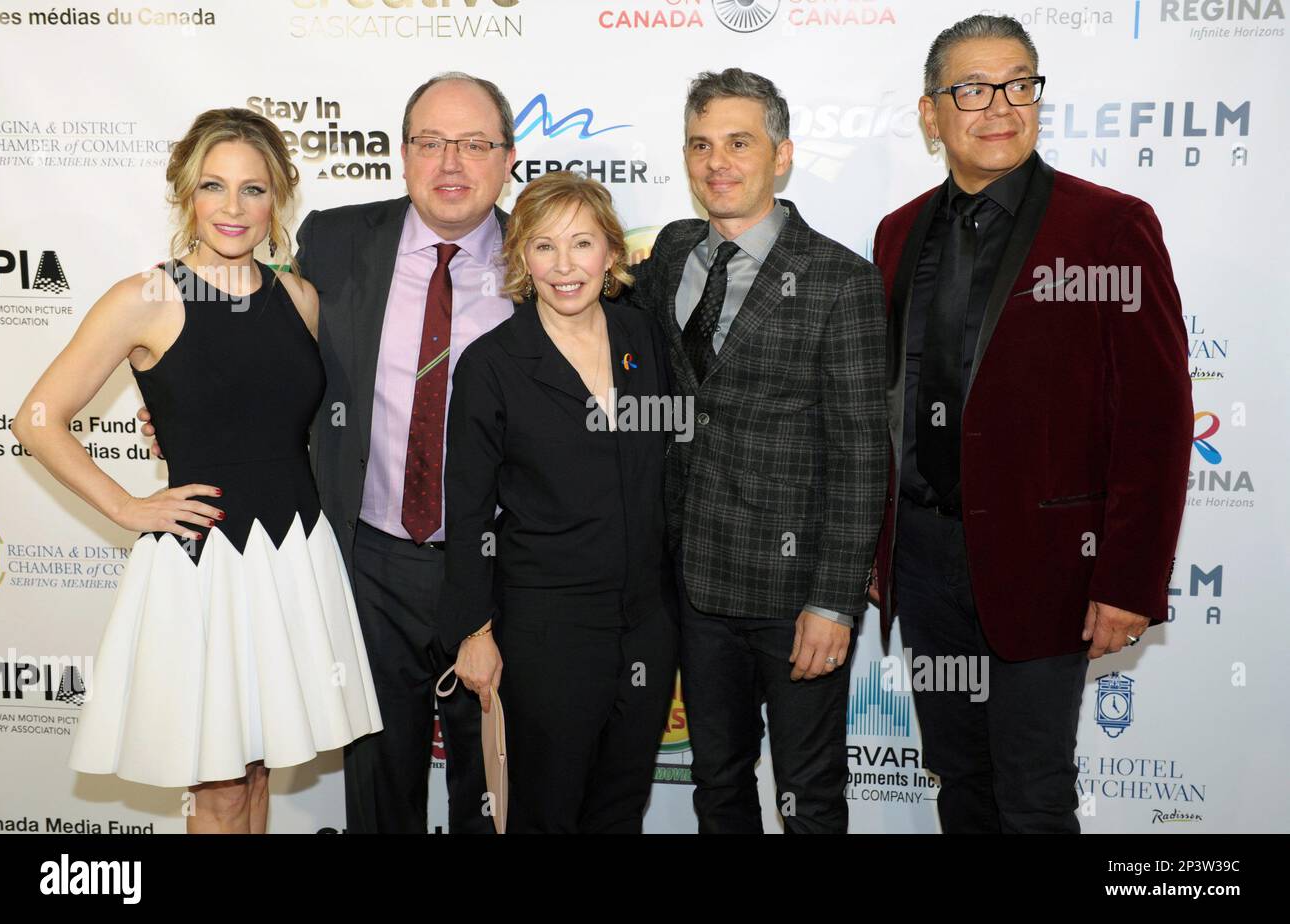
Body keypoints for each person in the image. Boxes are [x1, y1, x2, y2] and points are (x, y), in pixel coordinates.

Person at [141, 73, 519, 834]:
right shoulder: (338, 241)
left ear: (509, 159)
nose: (451, 163)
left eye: (475, 144)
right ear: (402, 155)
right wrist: (193, 417)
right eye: (431, 143)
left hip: (501, 565)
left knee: (497, 784)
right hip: (365, 563)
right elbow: (270, 360)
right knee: (377, 790)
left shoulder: (543, 259)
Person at [12, 107, 382, 834]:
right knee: (215, 788)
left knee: (253, 775)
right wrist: (126, 507)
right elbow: (36, 419)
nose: (233, 208)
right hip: (203, 559)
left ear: (277, 198)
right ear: (186, 194)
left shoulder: (298, 298)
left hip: (291, 555)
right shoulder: (145, 298)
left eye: (254, 189)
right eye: (214, 186)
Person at [870, 14, 1192, 833]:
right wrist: (879, 548)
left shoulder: (1108, 226)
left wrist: (1128, 579)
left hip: (1048, 564)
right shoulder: (899, 233)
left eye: (1020, 84)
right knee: (960, 780)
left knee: (1034, 793)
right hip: (926, 560)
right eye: (972, 90)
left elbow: (1155, 419)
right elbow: (889, 401)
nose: (1000, 107)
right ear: (931, 112)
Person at [629, 69, 887, 833]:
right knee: (718, 786)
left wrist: (834, 602)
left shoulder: (842, 280)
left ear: (781, 156)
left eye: (739, 142)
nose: (718, 162)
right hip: (695, 585)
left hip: (795, 595)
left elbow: (862, 452)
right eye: (701, 144)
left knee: (809, 796)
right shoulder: (673, 253)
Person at [441, 171, 679, 833]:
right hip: (547, 626)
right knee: (546, 809)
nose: (565, 265)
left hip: (646, 621)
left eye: (582, 243)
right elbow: (466, 509)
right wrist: (473, 631)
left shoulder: (643, 339)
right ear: (520, 259)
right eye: (544, 247)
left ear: (612, 252)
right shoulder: (494, 363)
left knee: (620, 805)